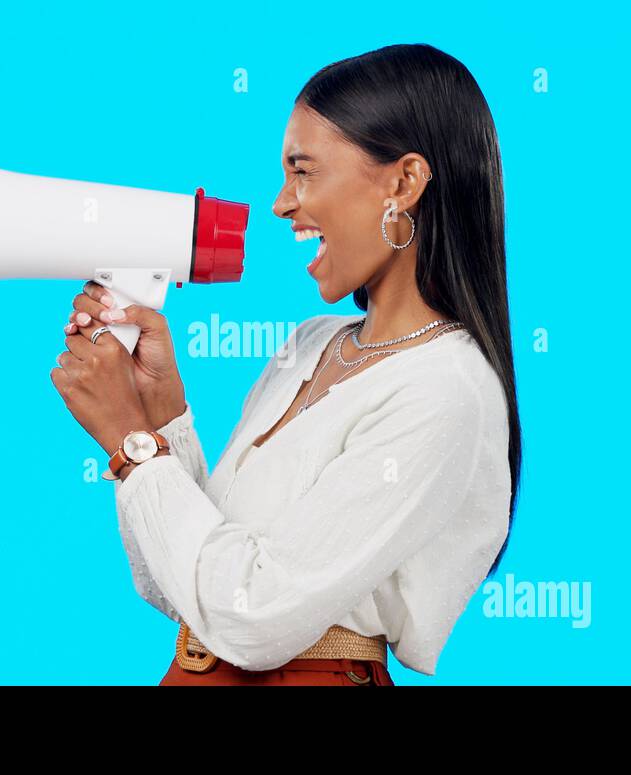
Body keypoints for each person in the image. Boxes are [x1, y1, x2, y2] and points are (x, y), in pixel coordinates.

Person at [50, 43, 522, 685]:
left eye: (304, 173)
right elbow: (187, 591)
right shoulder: (311, 344)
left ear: (404, 182)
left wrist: (131, 448)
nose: (281, 203)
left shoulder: (445, 391)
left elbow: (254, 617)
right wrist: (158, 413)